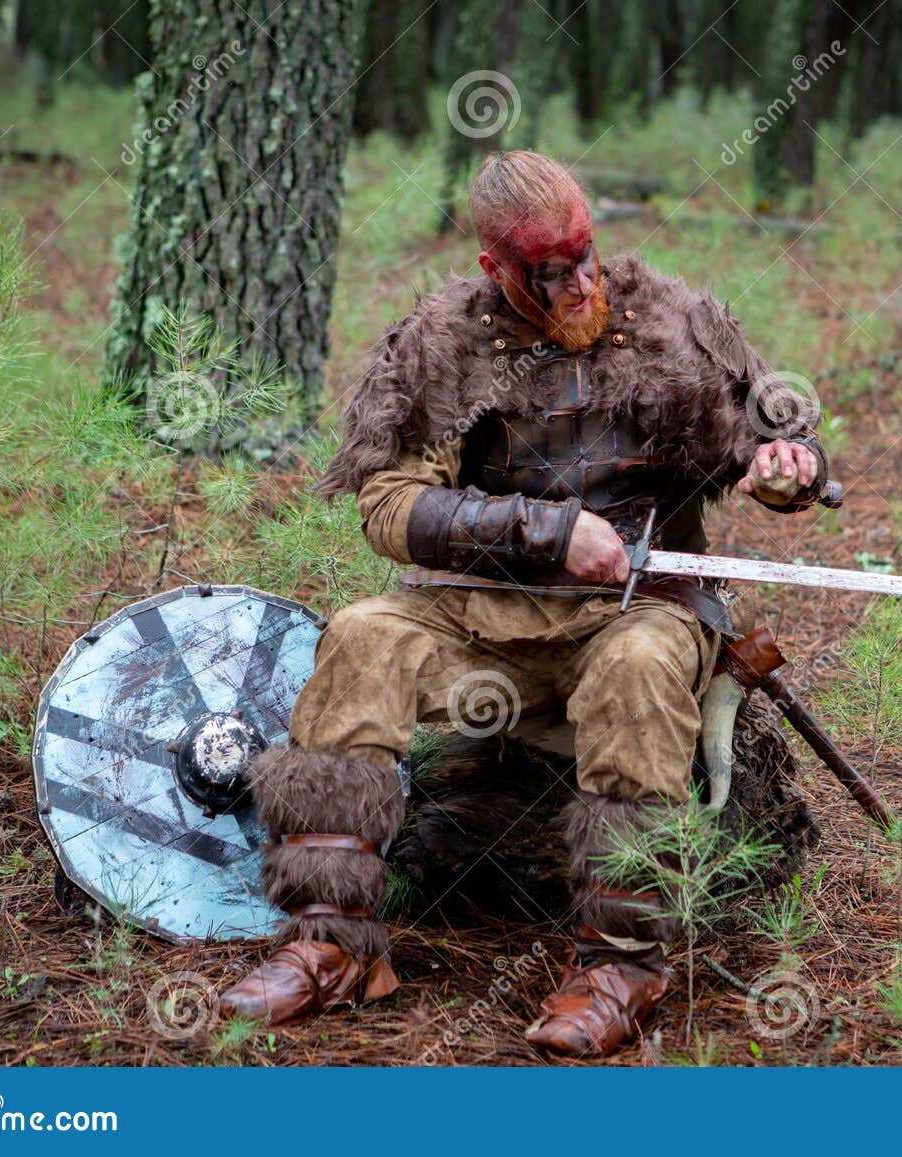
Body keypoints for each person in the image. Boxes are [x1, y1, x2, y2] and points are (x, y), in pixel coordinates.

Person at [218, 149, 828, 1056]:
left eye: (587, 256)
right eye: (552, 272)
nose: (583, 285)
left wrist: (790, 471)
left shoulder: (675, 324)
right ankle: (333, 945)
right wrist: (546, 531)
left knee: (638, 663)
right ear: (496, 271)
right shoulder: (440, 342)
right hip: (482, 621)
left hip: (639, 612)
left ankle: (622, 965)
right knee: (360, 636)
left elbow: (778, 449)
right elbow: (388, 509)